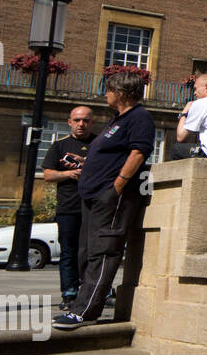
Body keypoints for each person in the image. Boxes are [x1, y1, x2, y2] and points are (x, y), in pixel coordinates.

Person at [54, 70, 155, 330]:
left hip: (110, 197)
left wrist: (117, 186)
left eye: (108, 90)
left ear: (121, 93)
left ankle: (85, 312)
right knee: (86, 253)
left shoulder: (139, 117)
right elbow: (114, 153)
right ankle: (80, 305)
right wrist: (88, 163)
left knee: (103, 253)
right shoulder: (117, 119)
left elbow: (138, 152)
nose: (105, 94)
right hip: (91, 196)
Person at [41, 105, 97, 310]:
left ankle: (93, 290)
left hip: (93, 206)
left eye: (85, 120)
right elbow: (48, 175)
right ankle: (69, 293)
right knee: (69, 252)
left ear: (92, 122)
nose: (81, 124)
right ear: (70, 122)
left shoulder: (99, 144)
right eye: (77, 120)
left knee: (93, 251)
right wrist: (69, 174)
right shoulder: (59, 146)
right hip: (68, 206)